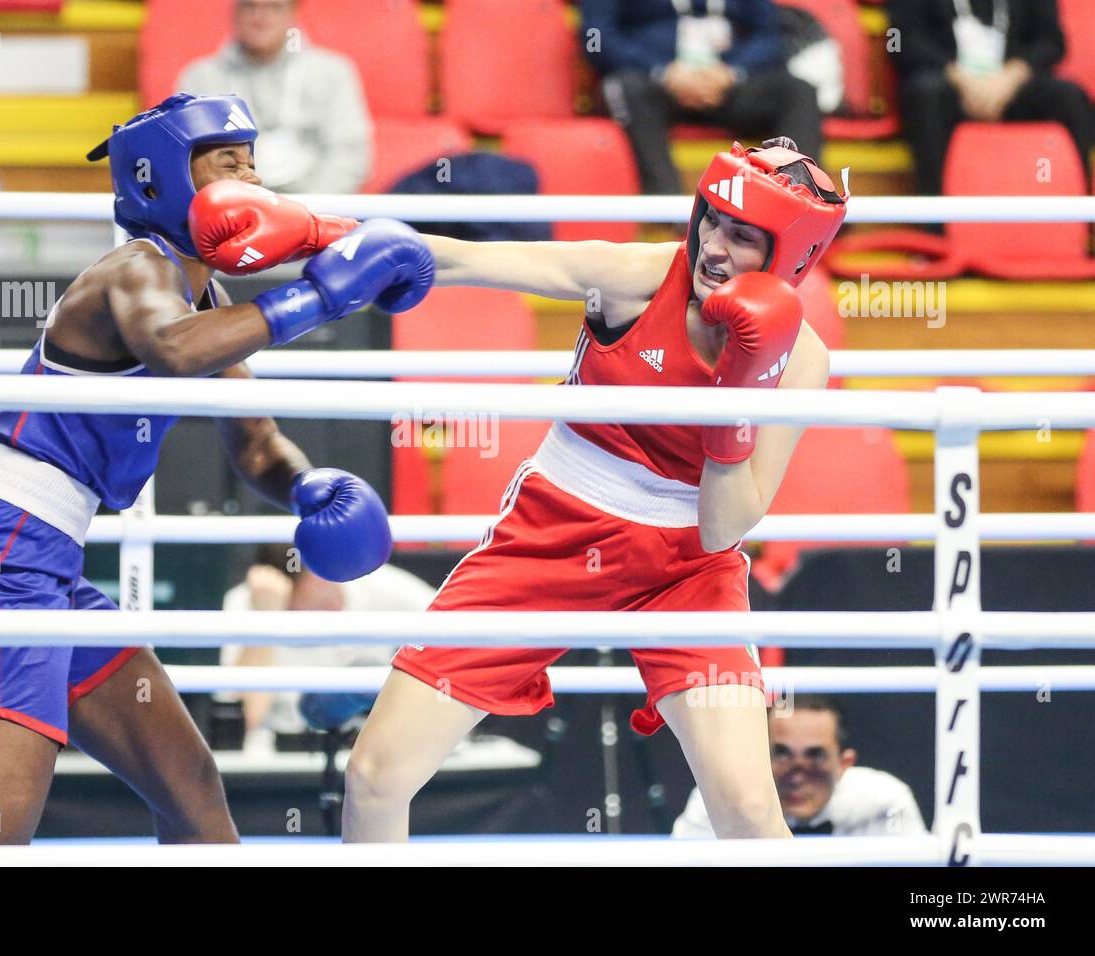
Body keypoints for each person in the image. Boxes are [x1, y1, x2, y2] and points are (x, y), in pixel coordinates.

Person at [0, 92, 433, 845]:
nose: (247, 180)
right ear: (161, 180)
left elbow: (255, 444)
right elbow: (173, 349)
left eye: (252, 165)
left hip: (49, 565)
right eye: (225, 163)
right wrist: (316, 298)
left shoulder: (208, 298)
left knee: (196, 806)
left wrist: (308, 488)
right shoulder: (135, 271)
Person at [343, 137, 848, 842]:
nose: (713, 248)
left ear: (790, 258)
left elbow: (720, 532)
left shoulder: (800, 362)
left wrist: (735, 400)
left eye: (741, 236)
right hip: (553, 531)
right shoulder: (634, 276)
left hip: (687, 566)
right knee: (374, 775)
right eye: (710, 219)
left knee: (751, 812)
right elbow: (465, 257)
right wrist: (312, 234)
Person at [582, 0, 824, 196]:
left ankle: (799, 200)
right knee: (625, 89)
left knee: (798, 92)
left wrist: (732, 72)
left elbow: (772, 36)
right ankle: (666, 209)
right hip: (656, 81)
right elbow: (595, 37)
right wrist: (660, 70)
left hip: (726, 81)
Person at [220, 543, 437, 741]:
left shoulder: (374, 583)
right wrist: (264, 620)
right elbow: (246, 720)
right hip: (279, 757)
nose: (332, 586)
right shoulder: (250, 603)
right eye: (319, 578)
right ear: (286, 589)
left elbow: (448, 626)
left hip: (375, 741)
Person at [887, 0, 1094, 194]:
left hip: (1011, 84)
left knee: (1070, 98)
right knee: (925, 96)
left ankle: (1078, 214)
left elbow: (1052, 42)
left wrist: (1011, 77)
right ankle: (936, 219)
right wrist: (960, 78)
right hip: (947, 82)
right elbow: (900, 41)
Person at [178, 0, 371, 194]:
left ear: (293, 13)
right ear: (234, 11)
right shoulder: (201, 77)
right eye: (250, 6)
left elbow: (349, 154)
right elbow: (188, 160)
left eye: (274, 7)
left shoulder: (332, 72)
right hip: (230, 209)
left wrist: (304, 209)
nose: (260, 18)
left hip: (317, 209)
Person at [673, 695, 927, 837]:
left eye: (814, 756)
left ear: (844, 764)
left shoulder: (885, 803)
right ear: (759, 755)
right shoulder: (716, 800)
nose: (797, 775)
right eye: (782, 754)